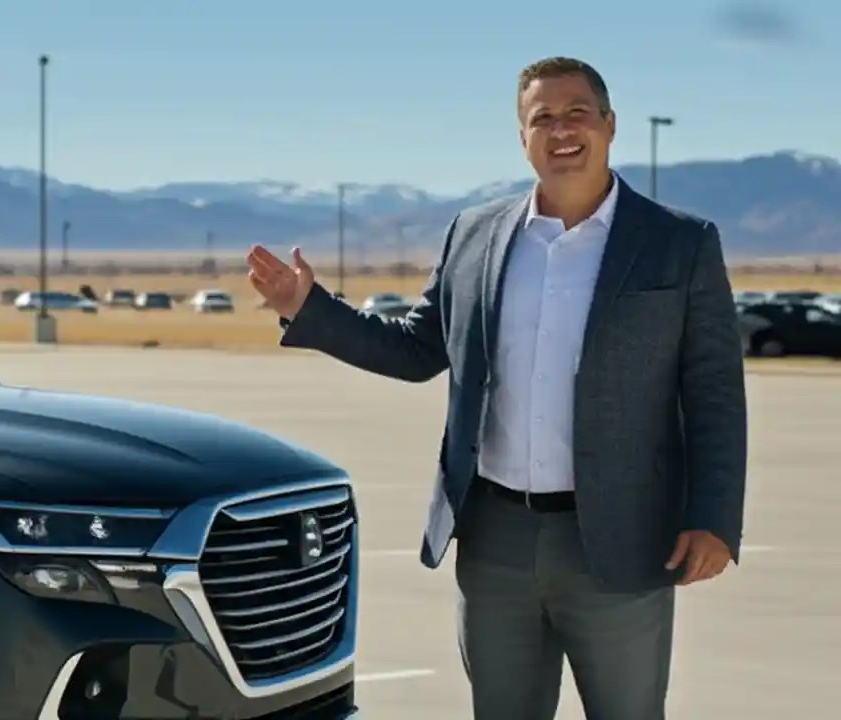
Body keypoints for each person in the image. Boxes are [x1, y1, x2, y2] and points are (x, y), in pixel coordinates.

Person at [246, 56, 747, 719]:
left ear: (610, 125)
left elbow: (713, 391)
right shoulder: (476, 234)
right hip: (494, 538)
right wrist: (312, 309)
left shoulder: (678, 243)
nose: (562, 130)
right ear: (522, 136)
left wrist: (711, 518)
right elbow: (419, 348)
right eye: (543, 117)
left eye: (577, 113)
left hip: (622, 539)